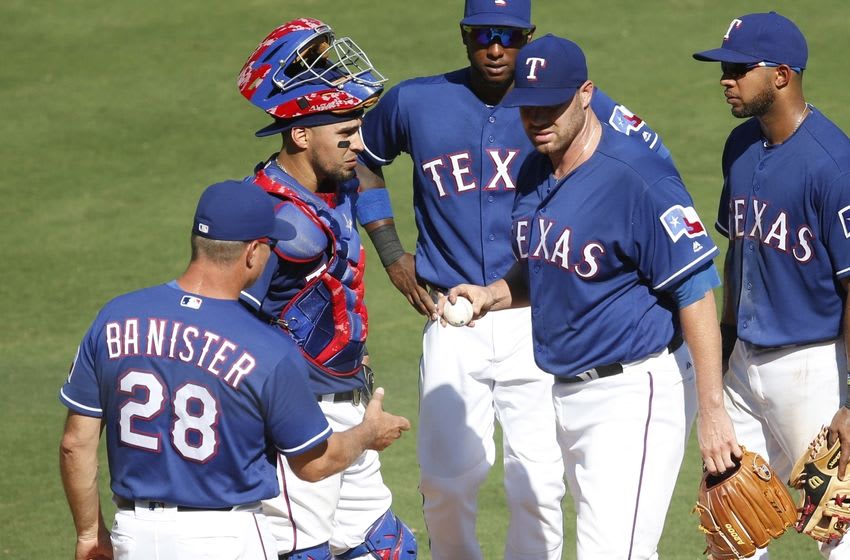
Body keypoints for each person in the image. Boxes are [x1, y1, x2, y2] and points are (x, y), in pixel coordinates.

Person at [354, 1, 673, 558]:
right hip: (450, 319)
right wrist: (390, 251)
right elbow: (361, 154)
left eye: (509, 36)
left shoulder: (557, 104)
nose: (496, 48)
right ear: (464, 36)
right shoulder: (417, 100)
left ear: (528, 37)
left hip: (537, 314)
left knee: (539, 485)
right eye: (482, 35)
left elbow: (640, 151)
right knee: (446, 482)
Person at [445, 34, 731, 558]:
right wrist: (492, 293)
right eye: (528, 108)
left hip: (633, 394)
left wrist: (713, 411)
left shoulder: (637, 179)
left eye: (551, 105)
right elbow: (548, 266)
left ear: (585, 94)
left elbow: (696, 288)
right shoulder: (535, 168)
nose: (537, 120)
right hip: (563, 394)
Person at [58, 181, 410, 560]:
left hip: (135, 535)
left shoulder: (115, 317)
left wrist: (90, 534)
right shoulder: (268, 348)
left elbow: (75, 444)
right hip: (226, 538)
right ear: (253, 252)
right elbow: (314, 463)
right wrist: (366, 433)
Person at [235, 18, 417, 560]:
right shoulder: (271, 219)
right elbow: (232, 320)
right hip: (296, 413)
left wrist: (391, 255)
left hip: (350, 397)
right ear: (300, 133)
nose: (359, 145)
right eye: (345, 133)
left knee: (385, 548)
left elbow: (362, 178)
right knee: (304, 552)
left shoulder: (331, 175)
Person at [693, 11, 850, 558]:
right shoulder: (739, 145)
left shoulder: (835, 166)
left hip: (812, 374)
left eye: (738, 69)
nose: (725, 80)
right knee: (732, 529)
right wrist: (725, 347)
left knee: (838, 531)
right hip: (743, 369)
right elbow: (739, 252)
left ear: (782, 75)